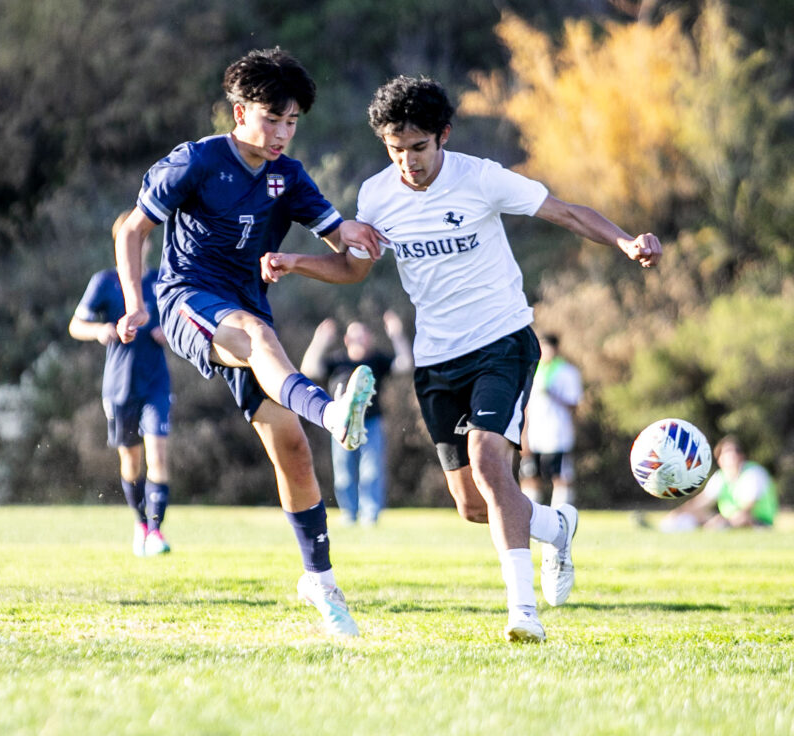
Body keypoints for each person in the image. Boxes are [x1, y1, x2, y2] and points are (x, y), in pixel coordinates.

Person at [261, 75, 662, 642]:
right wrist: (294, 262)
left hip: (502, 341)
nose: (409, 162)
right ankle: (556, 527)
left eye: (419, 148)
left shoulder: (481, 178)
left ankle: (523, 613)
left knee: (490, 460)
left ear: (443, 136)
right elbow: (354, 268)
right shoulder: (377, 195)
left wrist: (624, 241)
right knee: (474, 505)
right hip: (436, 361)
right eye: (396, 150)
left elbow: (566, 213)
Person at [113, 48, 384, 637]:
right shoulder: (197, 161)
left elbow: (348, 268)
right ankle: (333, 411)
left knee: (291, 446)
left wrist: (338, 248)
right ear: (239, 112)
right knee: (261, 336)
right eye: (272, 118)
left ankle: (320, 579)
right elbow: (130, 229)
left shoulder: (291, 176)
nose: (282, 132)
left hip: (244, 314)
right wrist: (136, 302)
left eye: (292, 122)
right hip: (187, 300)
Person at [69, 211, 172, 557]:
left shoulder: (161, 282)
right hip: (119, 387)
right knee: (132, 463)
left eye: (142, 239)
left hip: (155, 383)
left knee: (158, 453)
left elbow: (182, 323)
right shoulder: (104, 283)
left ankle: (156, 532)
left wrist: (167, 334)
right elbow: (76, 325)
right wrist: (100, 330)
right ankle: (140, 524)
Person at [301, 310, 413, 525]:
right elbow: (308, 369)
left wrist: (397, 335)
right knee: (343, 473)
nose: (358, 340)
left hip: (372, 424)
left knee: (371, 472)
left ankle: (370, 516)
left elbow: (405, 365)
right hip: (341, 426)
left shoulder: (376, 360)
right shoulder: (337, 361)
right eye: (354, 336)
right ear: (346, 340)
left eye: (362, 335)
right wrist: (319, 341)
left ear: (369, 338)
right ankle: (349, 515)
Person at [658, 435, 778, 532]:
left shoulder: (753, 473)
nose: (729, 459)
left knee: (740, 519)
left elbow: (746, 510)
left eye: (732, 455)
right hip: (728, 521)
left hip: (758, 522)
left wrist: (722, 522)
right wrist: (678, 513)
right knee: (694, 516)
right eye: (725, 455)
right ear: (719, 460)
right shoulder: (720, 477)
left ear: (741, 457)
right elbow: (702, 502)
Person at [519, 333, 583, 508]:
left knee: (560, 475)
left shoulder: (567, 372)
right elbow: (524, 406)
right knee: (530, 475)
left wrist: (553, 395)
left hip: (557, 433)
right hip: (534, 434)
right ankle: (530, 515)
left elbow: (574, 404)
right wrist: (522, 434)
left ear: (556, 349)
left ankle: (560, 514)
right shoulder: (532, 371)